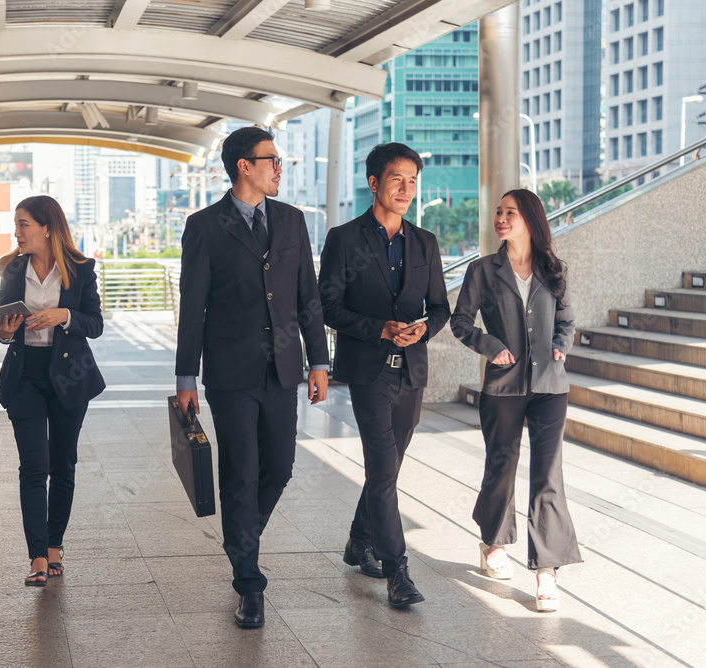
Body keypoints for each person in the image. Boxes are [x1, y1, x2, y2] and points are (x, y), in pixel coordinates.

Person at [176, 126, 330, 628]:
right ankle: (249, 582)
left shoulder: (290, 221)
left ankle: (241, 539)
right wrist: (186, 376)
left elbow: (308, 296)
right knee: (240, 471)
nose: (279, 169)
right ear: (245, 166)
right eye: (272, 161)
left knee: (280, 467)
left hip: (283, 369)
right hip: (229, 371)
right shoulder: (204, 226)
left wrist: (320, 361)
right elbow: (193, 308)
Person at [318, 143, 450, 608]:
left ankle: (358, 540)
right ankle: (397, 571)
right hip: (369, 370)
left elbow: (441, 308)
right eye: (397, 179)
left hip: (411, 371)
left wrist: (422, 330)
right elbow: (328, 306)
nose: (406, 189)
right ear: (374, 183)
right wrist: (379, 329)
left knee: (387, 469)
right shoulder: (344, 239)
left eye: (413, 180)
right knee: (381, 463)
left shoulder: (425, 243)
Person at [450, 188, 581, 612]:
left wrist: (561, 344)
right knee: (502, 467)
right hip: (503, 387)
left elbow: (567, 319)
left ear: (530, 218)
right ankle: (492, 542)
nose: (500, 218)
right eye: (498, 212)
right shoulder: (483, 271)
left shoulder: (553, 268)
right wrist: (490, 345)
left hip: (549, 387)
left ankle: (547, 571)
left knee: (547, 476)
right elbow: (460, 321)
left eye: (510, 212)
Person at [0, 196, 105, 587]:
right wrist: (5, 331)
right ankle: (37, 555)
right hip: (25, 375)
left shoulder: (81, 269)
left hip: (69, 375)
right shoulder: (12, 268)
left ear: (47, 228)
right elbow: (2, 325)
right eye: (16, 224)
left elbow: (95, 323)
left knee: (63, 463)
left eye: (23, 225)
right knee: (33, 465)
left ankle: (55, 544)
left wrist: (65, 316)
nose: (17, 232)